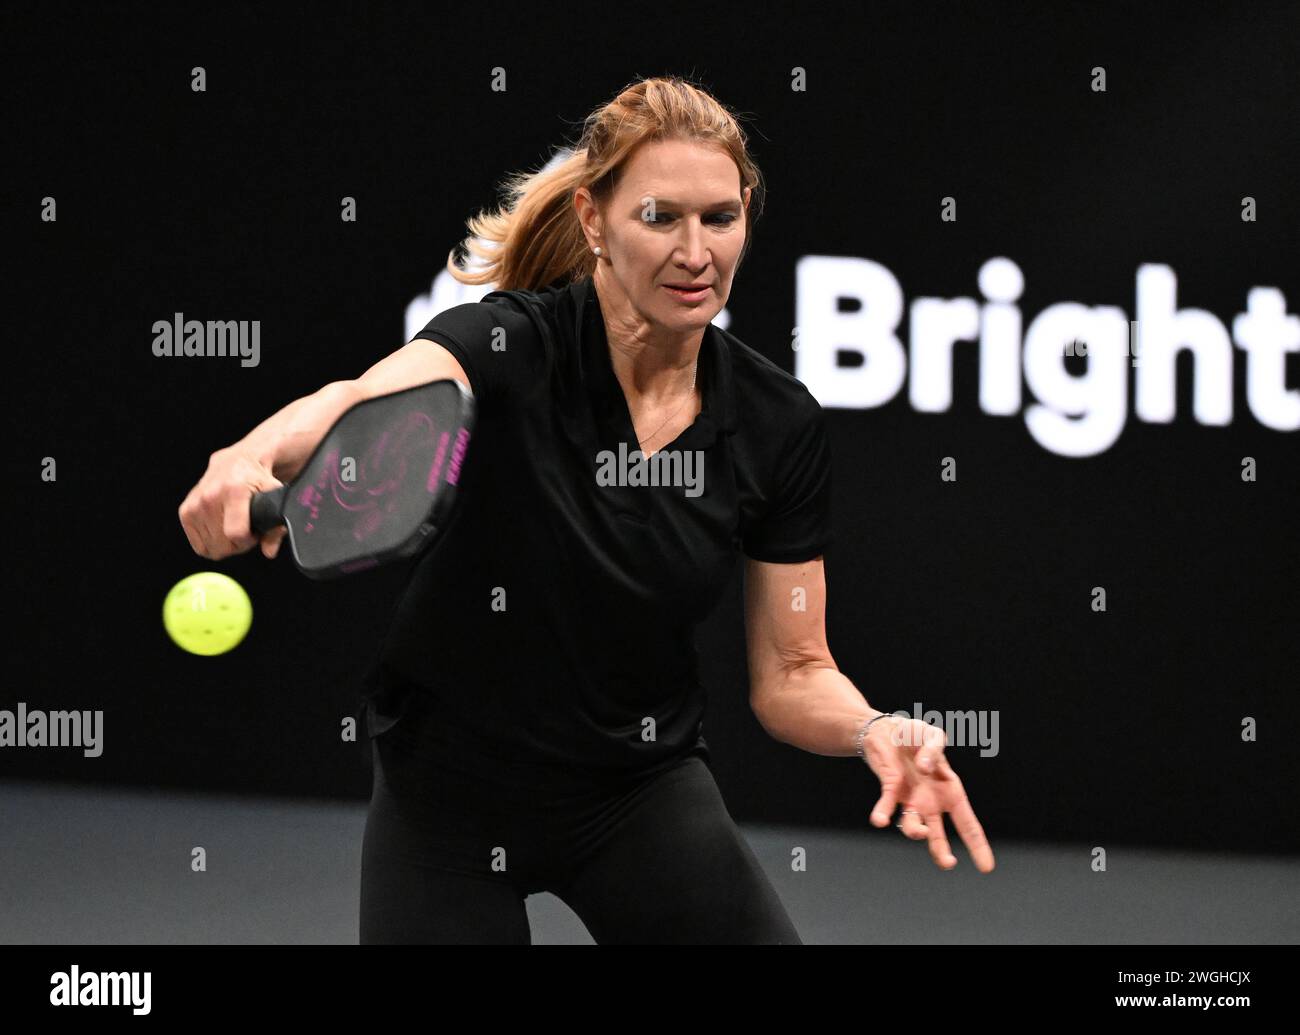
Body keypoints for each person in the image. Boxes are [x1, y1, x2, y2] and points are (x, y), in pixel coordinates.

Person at [178, 75, 995, 945]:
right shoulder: (508, 344)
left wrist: (874, 727)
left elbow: (794, 671)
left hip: (635, 792)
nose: (695, 251)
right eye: (660, 217)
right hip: (447, 802)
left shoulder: (774, 421)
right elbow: (362, 398)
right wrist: (251, 455)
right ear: (593, 219)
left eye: (720, 217)